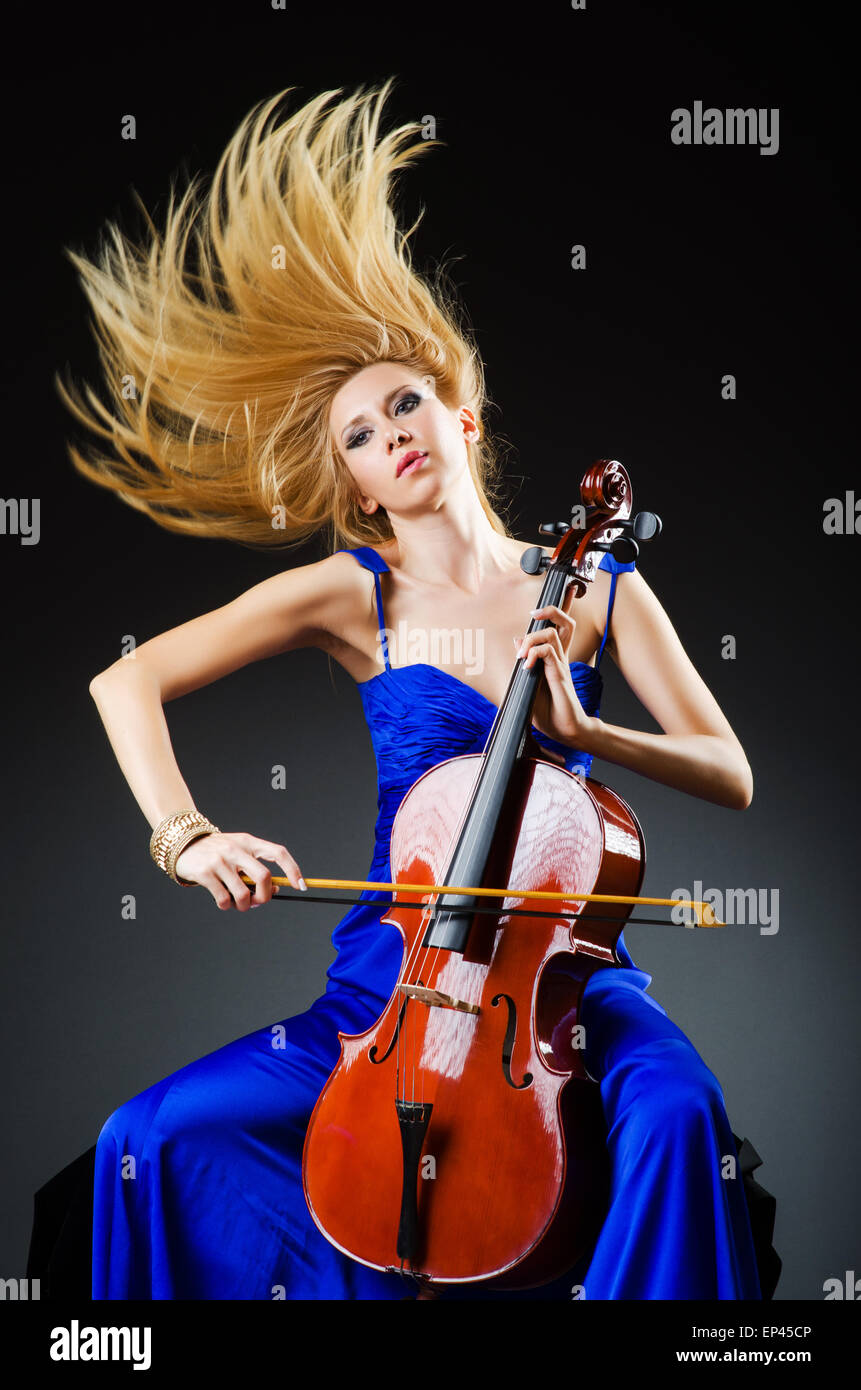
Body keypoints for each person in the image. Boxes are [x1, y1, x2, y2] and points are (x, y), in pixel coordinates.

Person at [56, 80, 762, 1300]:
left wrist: (589, 732)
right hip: (388, 982)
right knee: (149, 1138)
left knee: (678, 1110)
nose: (393, 435)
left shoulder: (593, 583)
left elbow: (732, 772)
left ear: (463, 414)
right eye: (363, 438)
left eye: (406, 403)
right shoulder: (352, 593)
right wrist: (188, 836)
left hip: (561, 987)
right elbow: (127, 680)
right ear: (362, 489)